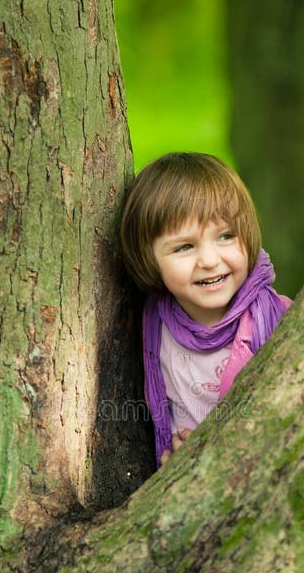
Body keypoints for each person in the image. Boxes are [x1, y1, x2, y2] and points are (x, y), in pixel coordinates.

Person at [120, 152, 290, 467]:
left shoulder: (278, 322)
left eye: (225, 236)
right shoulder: (157, 324)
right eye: (185, 247)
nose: (209, 260)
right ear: (148, 259)